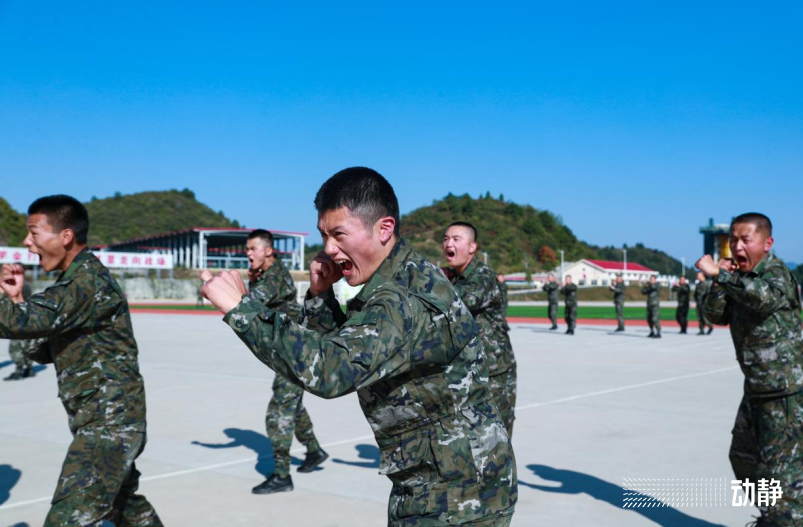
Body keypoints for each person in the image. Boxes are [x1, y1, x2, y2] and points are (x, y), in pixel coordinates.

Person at [202, 167, 516, 526]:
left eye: (338, 235)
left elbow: (331, 370)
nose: (329, 249)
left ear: (384, 229)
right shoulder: (396, 279)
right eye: (324, 235)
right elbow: (351, 343)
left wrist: (244, 312)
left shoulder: (404, 298)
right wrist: (321, 297)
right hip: (440, 481)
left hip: (457, 496)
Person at [0, 195, 161, 526]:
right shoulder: (74, 284)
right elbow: (39, 348)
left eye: (33, 233)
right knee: (125, 508)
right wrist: (17, 298)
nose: (26, 242)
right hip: (103, 419)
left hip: (109, 425)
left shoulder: (86, 283)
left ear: (65, 236)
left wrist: (14, 308)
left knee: (66, 518)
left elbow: (16, 323)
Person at [696, 212, 803, 526]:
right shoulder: (737, 279)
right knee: (743, 460)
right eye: (733, 240)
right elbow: (715, 315)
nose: (737, 246)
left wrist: (724, 276)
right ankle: (775, 516)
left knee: (783, 479)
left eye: (745, 239)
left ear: (766, 243)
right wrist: (719, 280)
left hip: (786, 395)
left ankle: (786, 518)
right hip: (756, 390)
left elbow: (763, 300)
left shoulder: (776, 273)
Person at [245, 229, 327, 495]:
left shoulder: (275, 276)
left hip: (295, 351)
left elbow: (248, 306)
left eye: (252, 249)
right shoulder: (267, 275)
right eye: (246, 250)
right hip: (287, 349)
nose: (248, 254)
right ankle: (314, 451)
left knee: (278, 411)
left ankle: (282, 476)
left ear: (268, 251)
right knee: (292, 404)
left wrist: (220, 286)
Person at [442, 222, 517, 436]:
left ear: (472, 247)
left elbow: (456, 304)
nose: (449, 243)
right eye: (446, 238)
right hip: (468, 371)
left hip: (494, 373)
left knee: (496, 442)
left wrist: (435, 282)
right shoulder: (454, 276)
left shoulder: (482, 277)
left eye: (456, 239)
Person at [3, 264, 38, 381]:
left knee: (15, 347)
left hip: (18, 320)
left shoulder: (17, 285)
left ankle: (19, 370)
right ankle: (29, 368)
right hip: (26, 319)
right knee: (26, 346)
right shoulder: (26, 284)